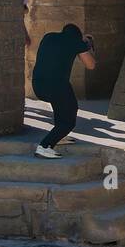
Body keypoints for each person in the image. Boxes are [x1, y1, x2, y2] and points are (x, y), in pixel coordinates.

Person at [30, 23, 97, 159]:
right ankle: (44, 146)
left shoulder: (48, 37)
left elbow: (62, 48)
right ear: (78, 36)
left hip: (38, 85)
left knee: (60, 107)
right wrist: (87, 45)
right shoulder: (76, 42)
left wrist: (81, 43)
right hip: (57, 85)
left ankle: (58, 136)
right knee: (69, 119)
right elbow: (91, 65)